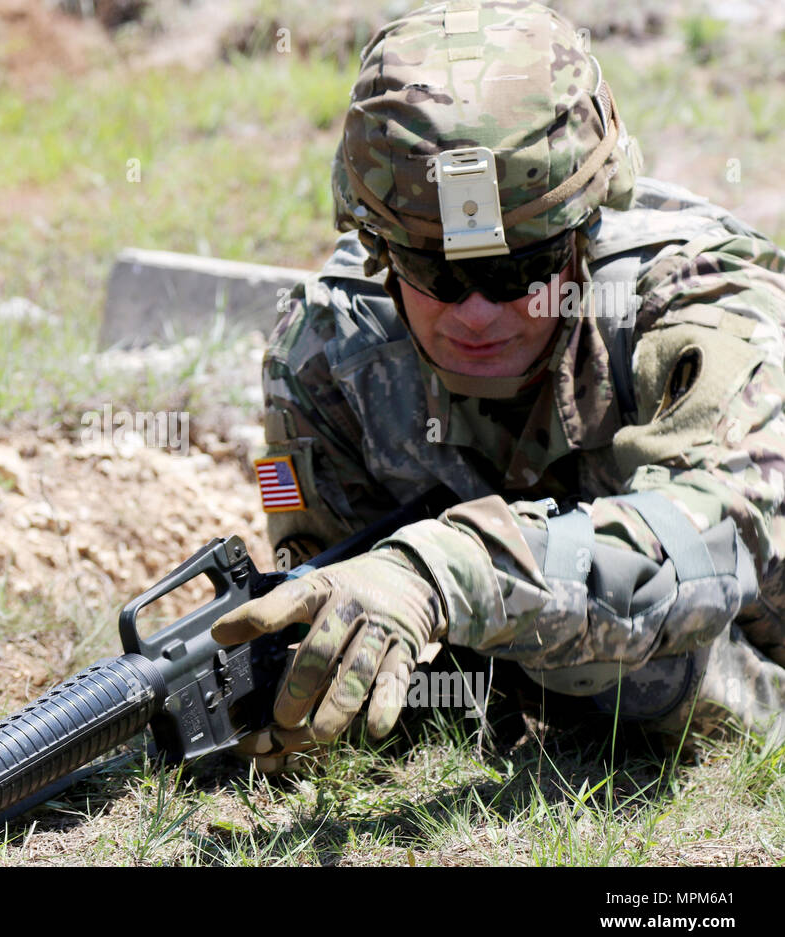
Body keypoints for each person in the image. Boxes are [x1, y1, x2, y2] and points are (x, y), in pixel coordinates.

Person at [211, 0, 785, 769]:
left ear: (585, 232)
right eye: (435, 270)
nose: (478, 313)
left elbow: (716, 546)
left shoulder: (702, 300)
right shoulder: (326, 353)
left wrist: (450, 572)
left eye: (521, 268)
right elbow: (309, 546)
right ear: (379, 250)